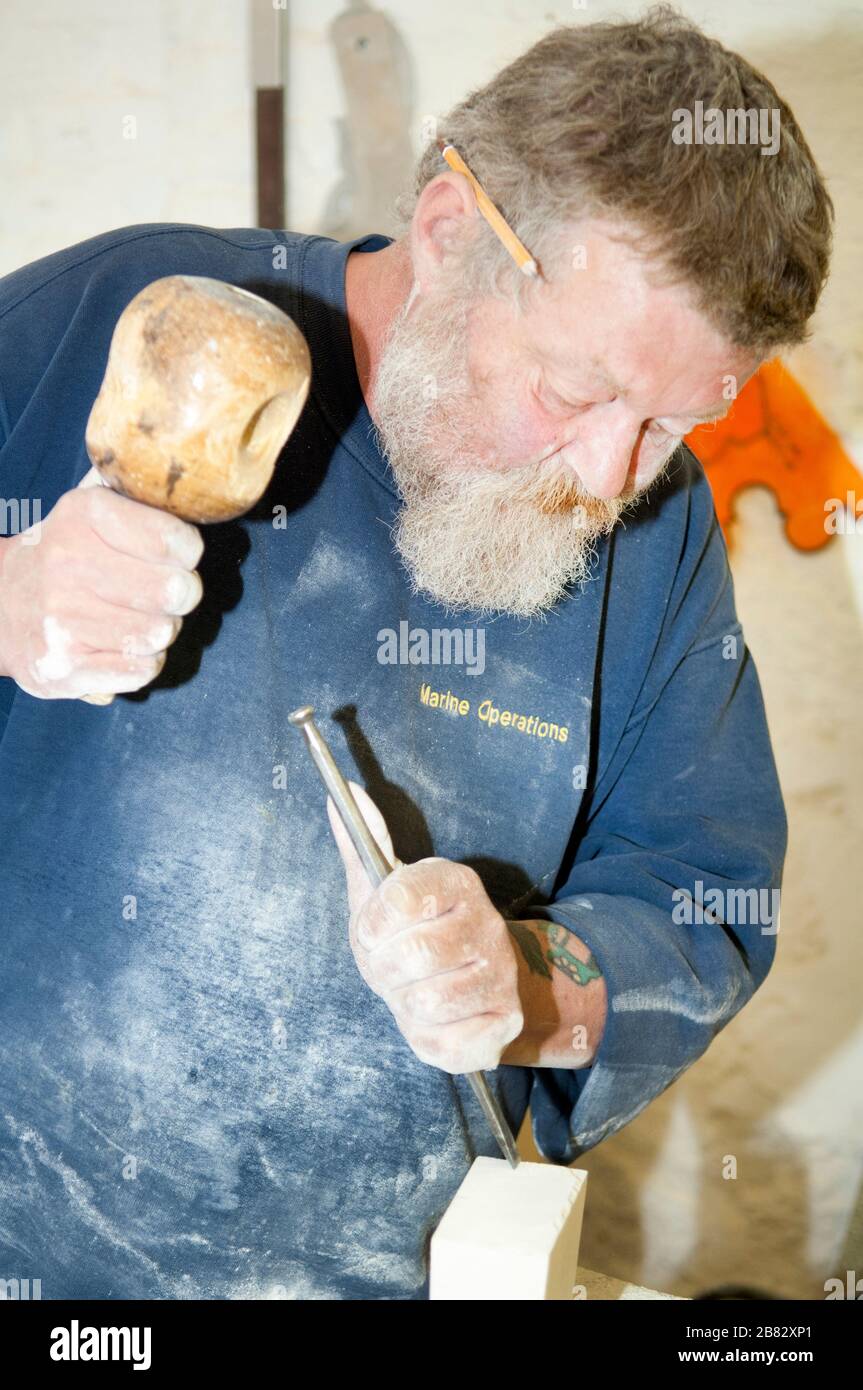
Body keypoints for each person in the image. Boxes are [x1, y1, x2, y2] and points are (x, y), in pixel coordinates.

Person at [0, 9, 832, 1299]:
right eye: (576, 393)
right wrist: (9, 594)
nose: (610, 479)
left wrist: (527, 977)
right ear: (450, 236)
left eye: (673, 423)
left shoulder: (659, 538)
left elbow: (707, 899)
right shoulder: (115, 316)